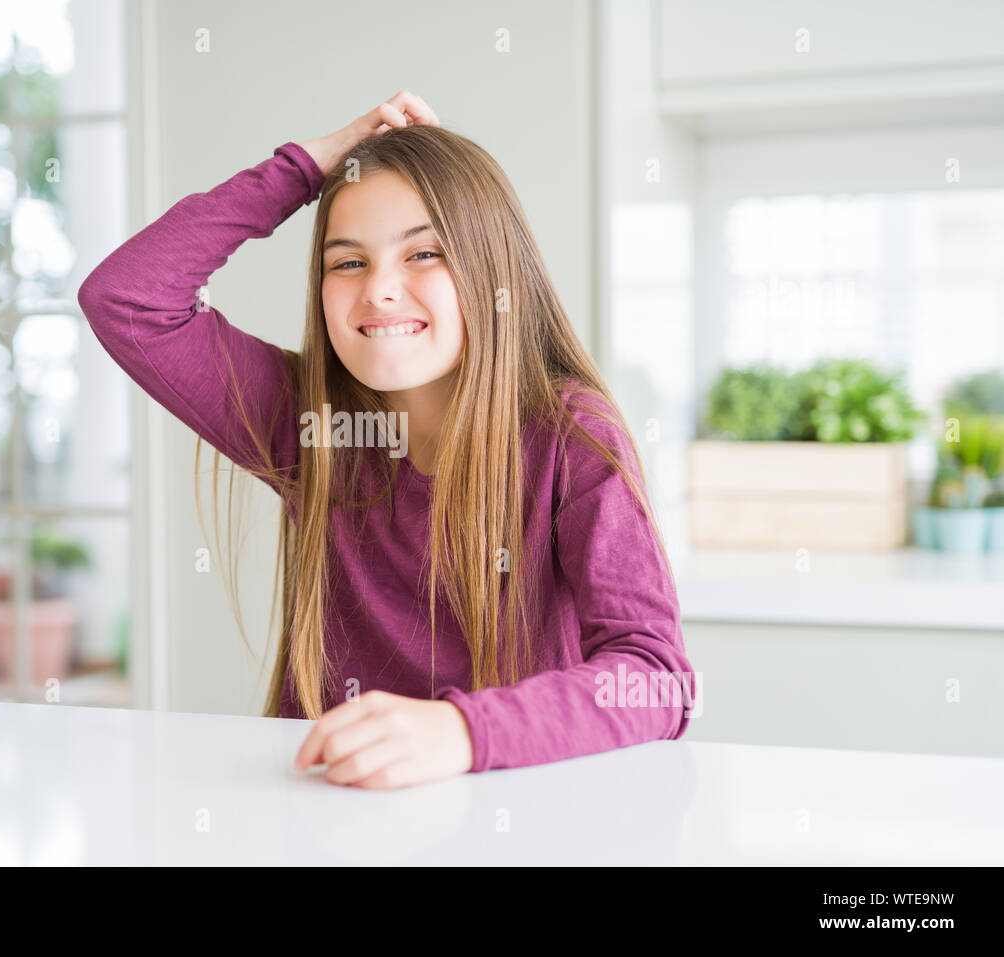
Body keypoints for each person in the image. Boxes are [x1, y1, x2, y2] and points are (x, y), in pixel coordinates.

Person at [78, 90, 697, 789]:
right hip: (328, 815)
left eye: (423, 253)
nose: (379, 291)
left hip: (510, 819)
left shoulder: (568, 432)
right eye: (347, 262)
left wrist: (461, 730)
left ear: (494, 270)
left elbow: (656, 680)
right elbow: (125, 298)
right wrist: (308, 167)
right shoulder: (304, 420)